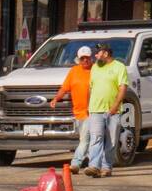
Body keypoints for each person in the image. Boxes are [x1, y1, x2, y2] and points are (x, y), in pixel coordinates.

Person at [85, 42, 128, 178]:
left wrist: (115, 106)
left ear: (105, 53)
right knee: (96, 138)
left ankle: (106, 166)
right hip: (95, 109)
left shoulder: (119, 67)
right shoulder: (95, 68)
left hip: (113, 110)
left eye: (97, 53)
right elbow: (90, 88)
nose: (95, 56)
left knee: (111, 141)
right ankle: (94, 166)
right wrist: (88, 105)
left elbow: (123, 88)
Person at [51, 45, 93, 173]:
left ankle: (76, 163)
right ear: (79, 59)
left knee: (85, 139)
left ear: (91, 58)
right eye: (82, 58)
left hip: (91, 112)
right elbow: (64, 88)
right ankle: (93, 162)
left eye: (87, 58)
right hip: (78, 113)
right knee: (86, 139)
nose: (85, 60)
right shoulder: (74, 71)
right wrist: (55, 99)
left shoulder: (96, 71)